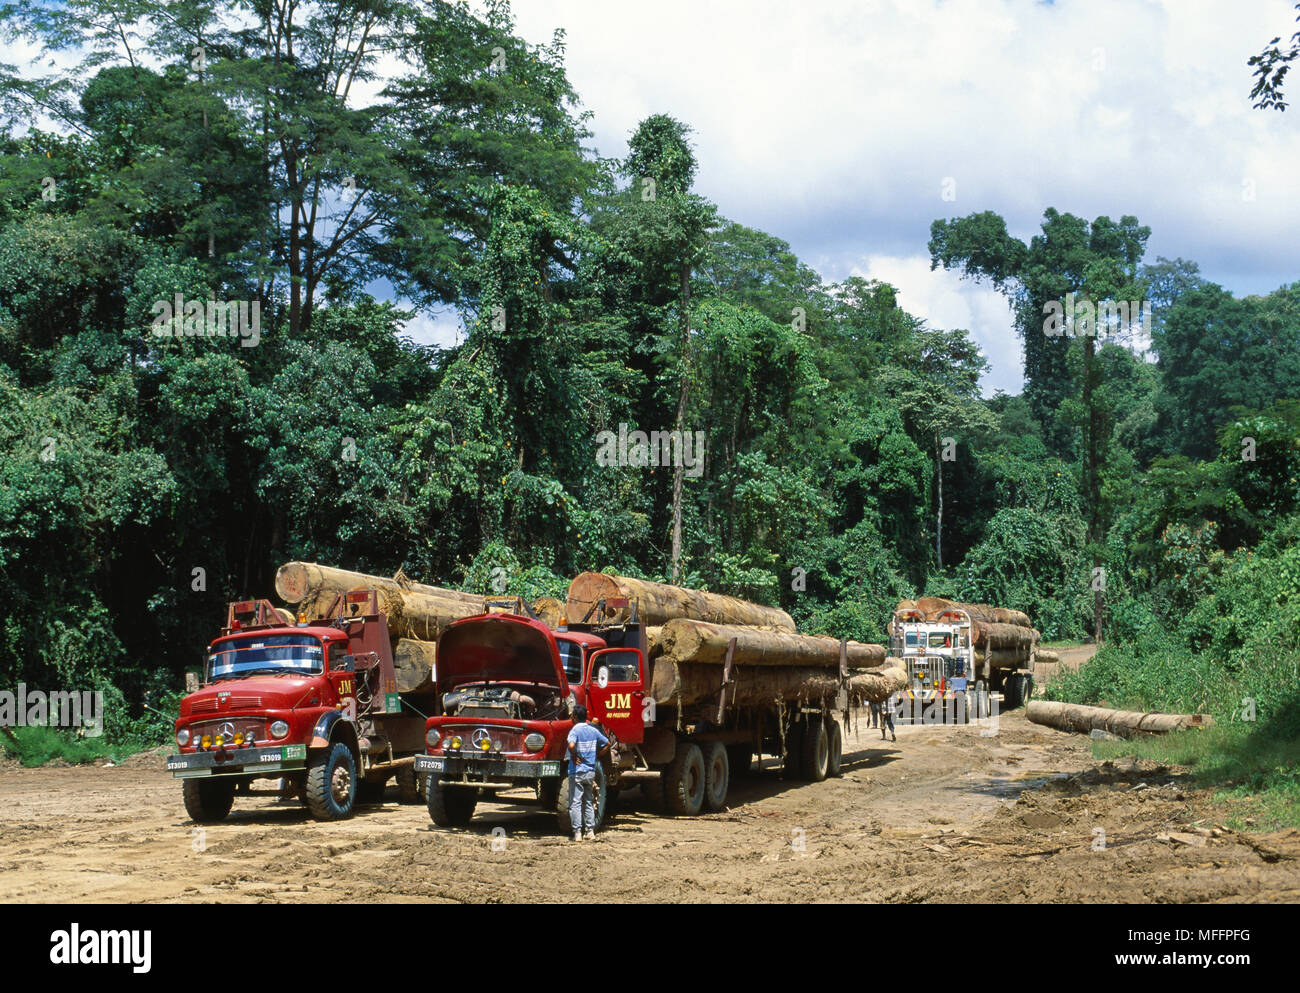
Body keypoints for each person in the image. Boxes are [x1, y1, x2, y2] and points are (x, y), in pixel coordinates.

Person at [566, 704, 610, 841]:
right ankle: (590, 831)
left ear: (575, 717)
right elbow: (607, 743)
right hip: (590, 771)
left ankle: (577, 833)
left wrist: (574, 755)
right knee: (588, 801)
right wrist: (597, 754)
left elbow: (571, 745)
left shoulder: (574, 730)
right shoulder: (593, 730)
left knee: (575, 802)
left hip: (577, 771)